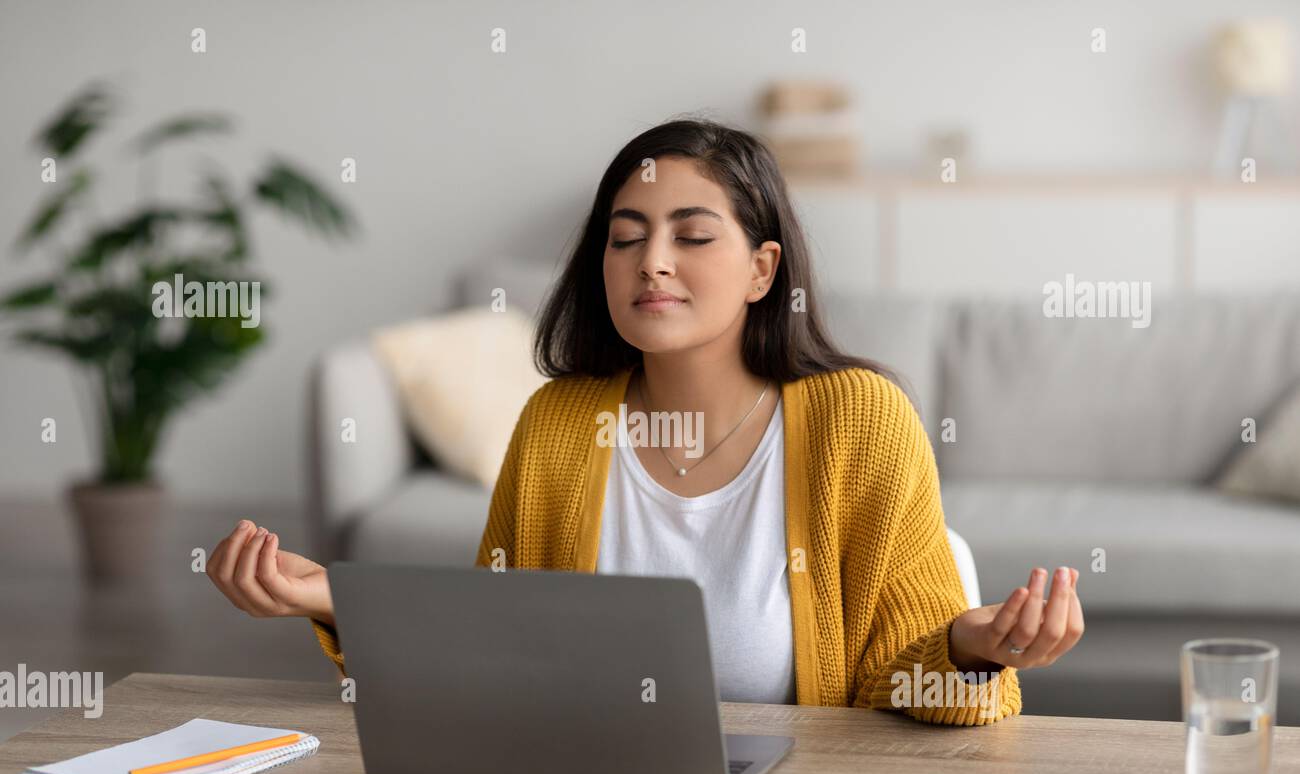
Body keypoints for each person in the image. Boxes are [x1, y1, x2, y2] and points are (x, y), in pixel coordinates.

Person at [205, 118, 1084, 724]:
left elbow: (905, 681)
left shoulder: (862, 421)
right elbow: (495, 653)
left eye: (692, 236)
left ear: (761, 269)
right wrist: (334, 600)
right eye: (625, 237)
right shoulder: (557, 423)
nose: (650, 262)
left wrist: (970, 648)